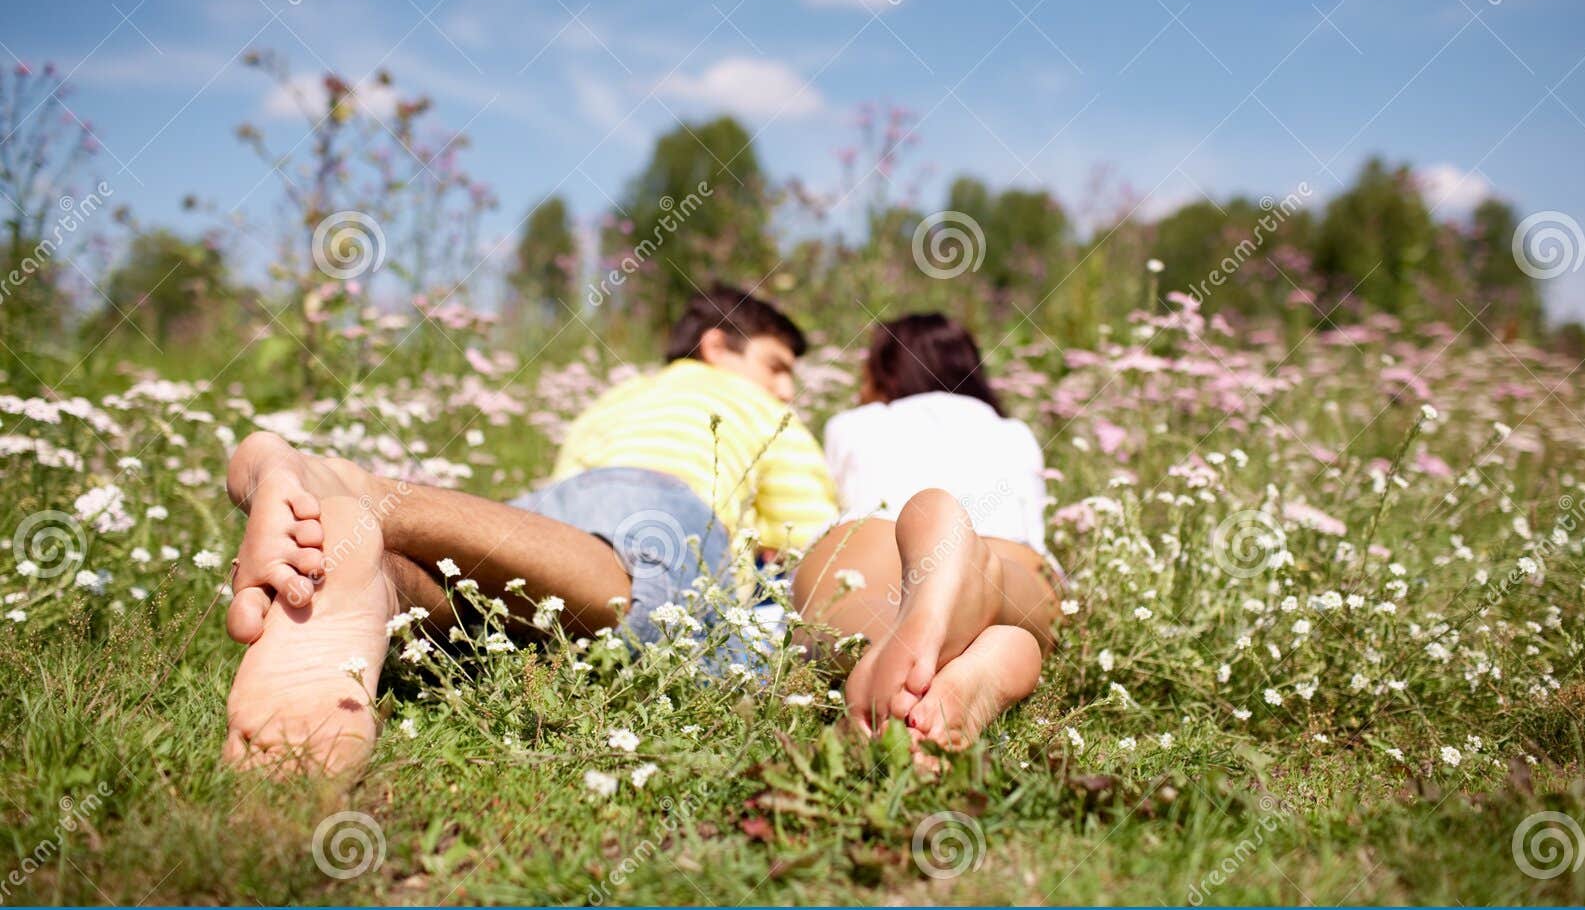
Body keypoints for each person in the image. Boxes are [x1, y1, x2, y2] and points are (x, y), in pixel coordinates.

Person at [221, 286, 837, 774]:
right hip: (660, 502)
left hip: (537, 521)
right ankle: (366, 493)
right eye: (778, 365)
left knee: (489, 612)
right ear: (717, 346)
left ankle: (382, 580)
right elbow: (804, 534)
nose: (787, 386)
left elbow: (573, 471)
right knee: (628, 592)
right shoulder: (762, 407)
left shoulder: (621, 397)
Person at [793, 313, 1057, 752]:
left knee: (856, 609)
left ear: (884, 375)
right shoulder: (1013, 433)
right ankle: (986, 592)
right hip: (1002, 539)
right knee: (1020, 588)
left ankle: (887, 653)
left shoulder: (856, 424)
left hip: (878, 532)